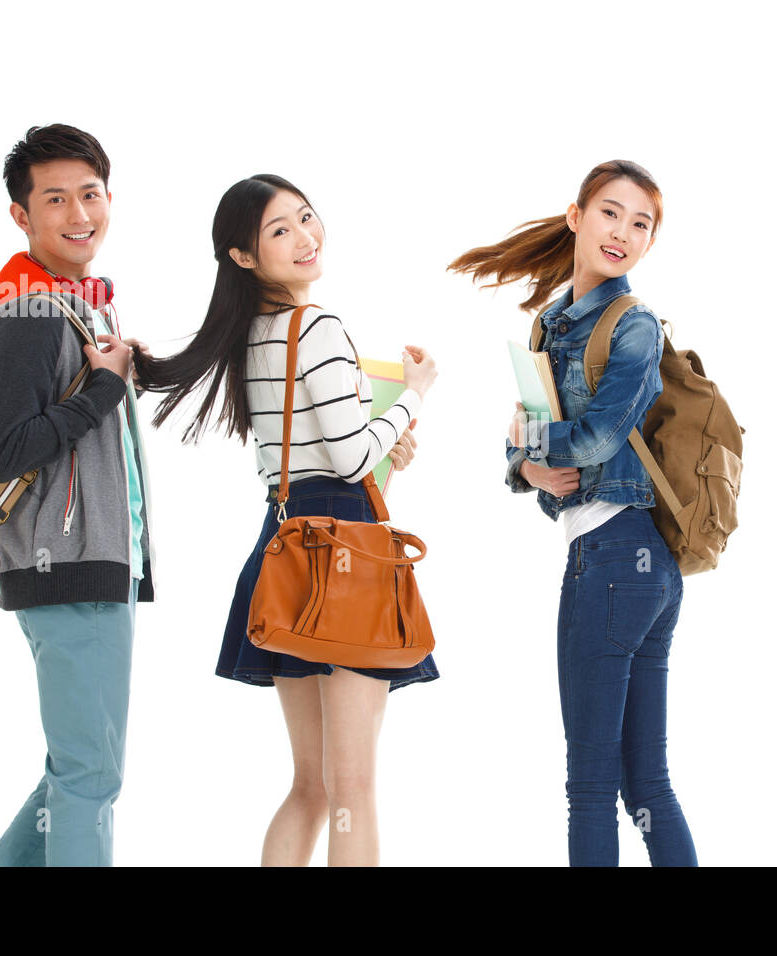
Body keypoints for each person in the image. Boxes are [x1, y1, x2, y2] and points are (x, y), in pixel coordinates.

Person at [134, 174, 438, 867]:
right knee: (352, 789)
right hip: (347, 555)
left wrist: (383, 435)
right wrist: (413, 397)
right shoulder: (320, 325)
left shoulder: (254, 335)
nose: (305, 238)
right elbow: (353, 452)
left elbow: (316, 449)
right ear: (243, 256)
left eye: (306, 218)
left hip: (286, 545)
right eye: (280, 231)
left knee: (312, 786)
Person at [450, 159, 696, 866]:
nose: (623, 232)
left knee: (591, 787)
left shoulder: (634, 326)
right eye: (611, 213)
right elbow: (530, 446)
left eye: (641, 223)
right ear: (576, 216)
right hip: (635, 566)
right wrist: (524, 464)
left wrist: (523, 450)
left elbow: (593, 438)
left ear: (650, 241)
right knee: (644, 780)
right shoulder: (550, 326)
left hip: (617, 561)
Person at [0, 124, 154, 866]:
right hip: (65, 564)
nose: (79, 214)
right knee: (89, 777)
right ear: (22, 216)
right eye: (56, 198)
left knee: (75, 772)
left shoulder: (73, 304)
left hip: (86, 564)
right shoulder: (32, 315)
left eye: (91, 194)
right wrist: (103, 387)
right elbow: (6, 451)